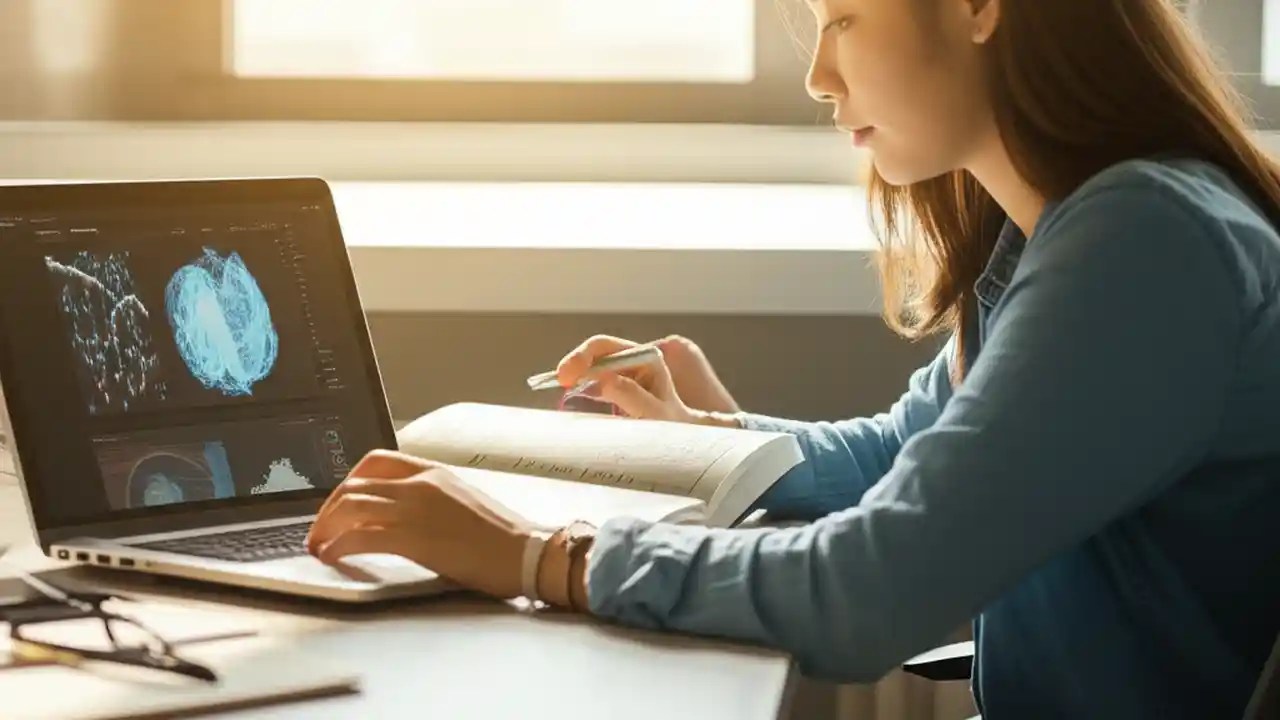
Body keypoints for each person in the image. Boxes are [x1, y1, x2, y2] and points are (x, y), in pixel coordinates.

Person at [305, 0, 1280, 716]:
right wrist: (715, 438)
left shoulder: (1145, 246)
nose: (818, 73)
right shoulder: (1061, 231)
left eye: (842, 18)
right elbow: (909, 450)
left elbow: (868, 593)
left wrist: (535, 555)